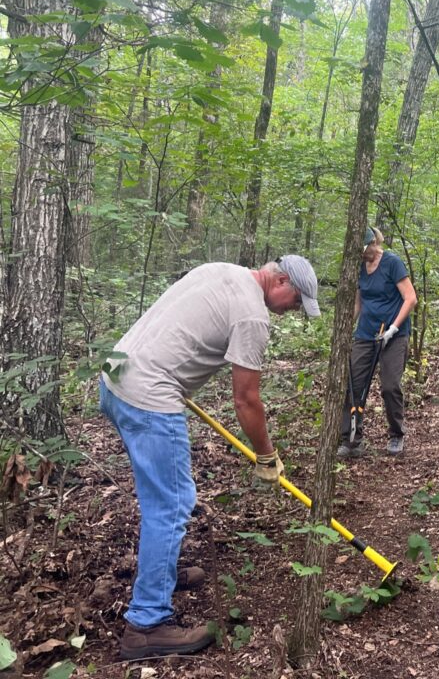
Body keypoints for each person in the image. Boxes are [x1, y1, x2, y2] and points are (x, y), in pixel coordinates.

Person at [99, 255, 320, 659]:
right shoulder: (252, 316)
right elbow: (246, 399)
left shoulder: (222, 270)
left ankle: (160, 574)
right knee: (171, 505)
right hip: (148, 395)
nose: (293, 310)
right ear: (281, 281)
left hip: (115, 374)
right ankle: (147, 624)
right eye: (295, 301)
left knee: (160, 500)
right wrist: (266, 455)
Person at [338, 227, 418, 458]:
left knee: (390, 386)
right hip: (365, 334)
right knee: (353, 385)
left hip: (394, 334)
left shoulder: (392, 263)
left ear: (374, 243)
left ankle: (396, 434)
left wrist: (393, 329)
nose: (362, 254)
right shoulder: (359, 267)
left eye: (364, 249)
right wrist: (347, 329)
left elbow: (410, 298)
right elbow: (358, 303)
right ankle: (352, 440)